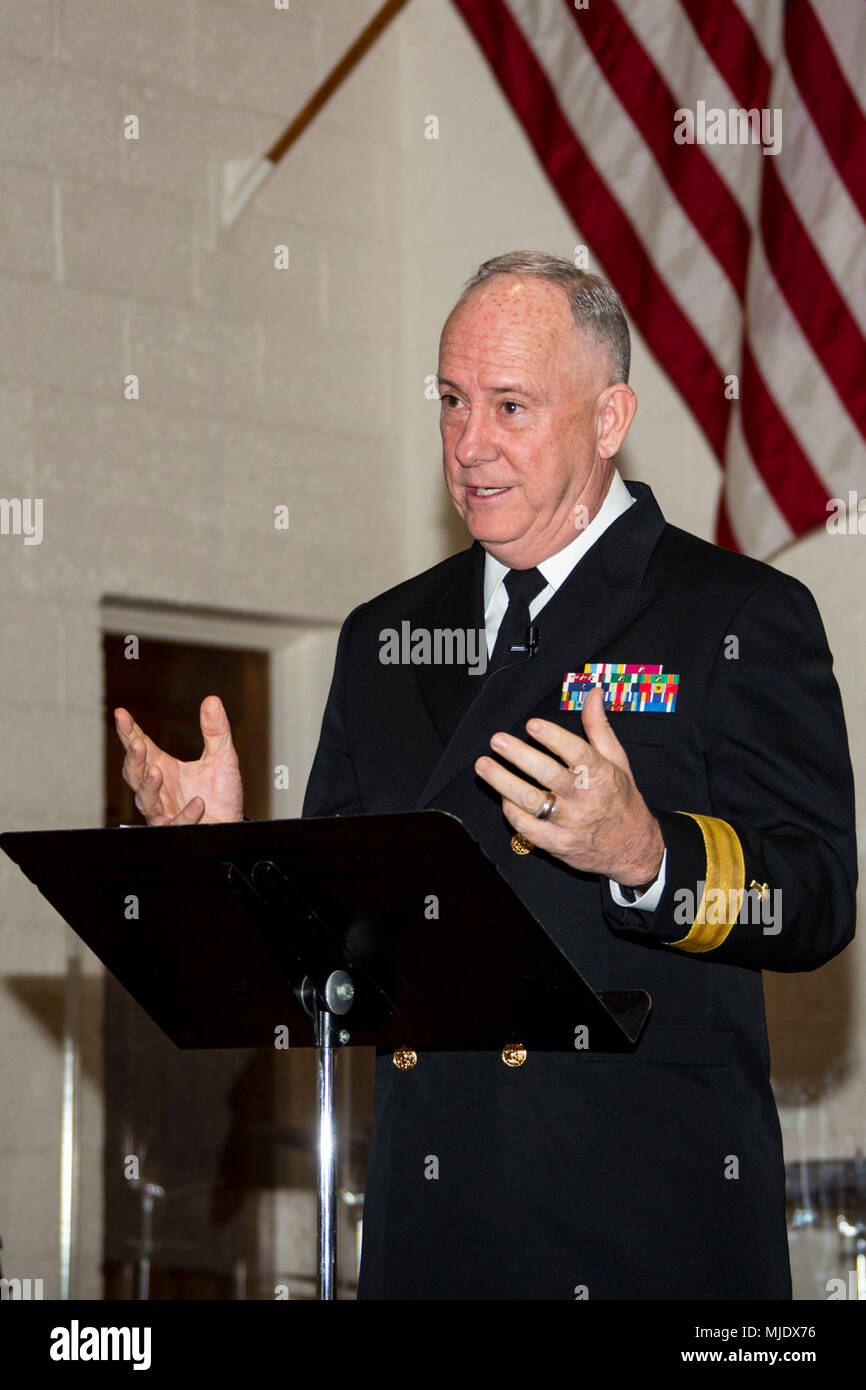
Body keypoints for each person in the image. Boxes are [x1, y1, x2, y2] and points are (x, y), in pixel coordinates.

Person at [115, 251, 857, 1300]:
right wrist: (229, 858)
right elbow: (329, 963)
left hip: (640, 1218)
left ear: (608, 419)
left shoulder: (730, 615)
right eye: (452, 403)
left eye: (510, 406)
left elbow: (814, 894)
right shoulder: (385, 635)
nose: (469, 445)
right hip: (437, 1217)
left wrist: (646, 856)